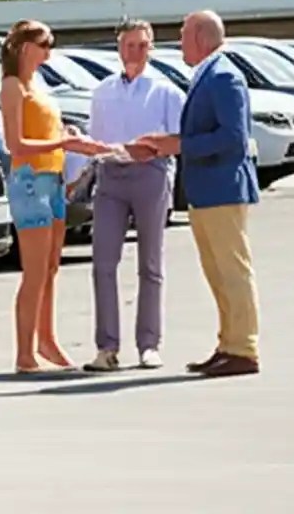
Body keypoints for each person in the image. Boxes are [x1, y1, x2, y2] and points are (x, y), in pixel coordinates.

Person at [136, 10, 261, 377]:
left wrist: (178, 144)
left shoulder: (223, 77)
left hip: (223, 189)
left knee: (232, 271)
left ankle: (244, 348)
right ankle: (229, 344)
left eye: (183, 34)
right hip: (207, 192)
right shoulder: (207, 74)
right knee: (217, 272)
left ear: (202, 38)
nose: (179, 41)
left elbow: (233, 138)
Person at [0, 19, 112, 373]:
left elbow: (47, 130)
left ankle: (46, 340)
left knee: (50, 268)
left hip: (53, 179)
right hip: (30, 181)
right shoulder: (13, 87)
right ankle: (24, 353)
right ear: (24, 47)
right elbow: (15, 144)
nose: (49, 51)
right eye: (44, 44)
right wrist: (65, 142)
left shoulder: (39, 85)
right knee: (34, 272)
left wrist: (67, 135)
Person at [82, 20, 185, 373]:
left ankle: (149, 344)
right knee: (103, 264)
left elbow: (179, 140)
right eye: (130, 45)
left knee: (150, 264)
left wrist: (153, 151)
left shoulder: (166, 90)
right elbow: (94, 140)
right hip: (111, 175)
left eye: (143, 45)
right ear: (118, 48)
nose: (136, 52)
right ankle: (106, 347)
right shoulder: (103, 91)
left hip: (150, 176)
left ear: (151, 47)